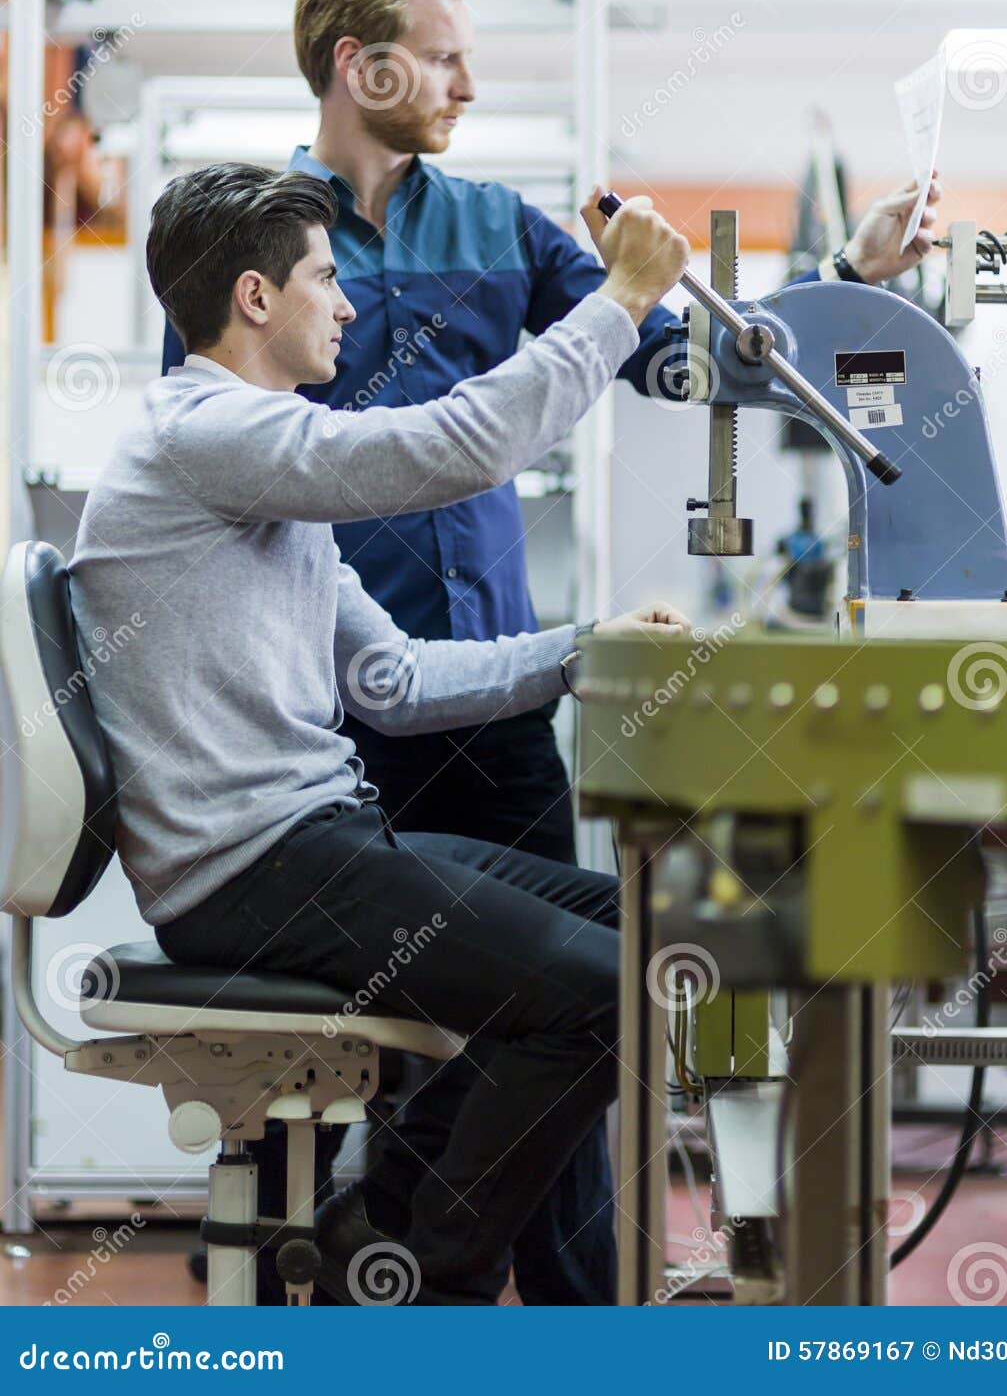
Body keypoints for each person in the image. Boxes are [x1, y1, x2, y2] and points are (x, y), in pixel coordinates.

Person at [161, 0, 942, 1305]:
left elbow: (682, 353)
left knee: (573, 1029)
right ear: (362, 64)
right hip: (340, 729)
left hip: (484, 699)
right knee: (381, 1057)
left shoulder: (493, 226)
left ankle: (574, 1322)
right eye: (446, 58)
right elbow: (324, 458)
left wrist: (846, 270)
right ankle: (374, 1293)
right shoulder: (253, 248)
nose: (465, 87)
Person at [71, 160, 693, 1305]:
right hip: (257, 869)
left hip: (323, 841)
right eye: (324, 279)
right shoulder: (205, 431)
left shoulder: (258, 454)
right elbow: (449, 449)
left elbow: (391, 678)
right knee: (607, 993)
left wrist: (585, 648)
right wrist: (618, 306)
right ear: (257, 299)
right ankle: (428, 1276)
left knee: (648, 931)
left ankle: (385, 1231)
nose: (348, 304)